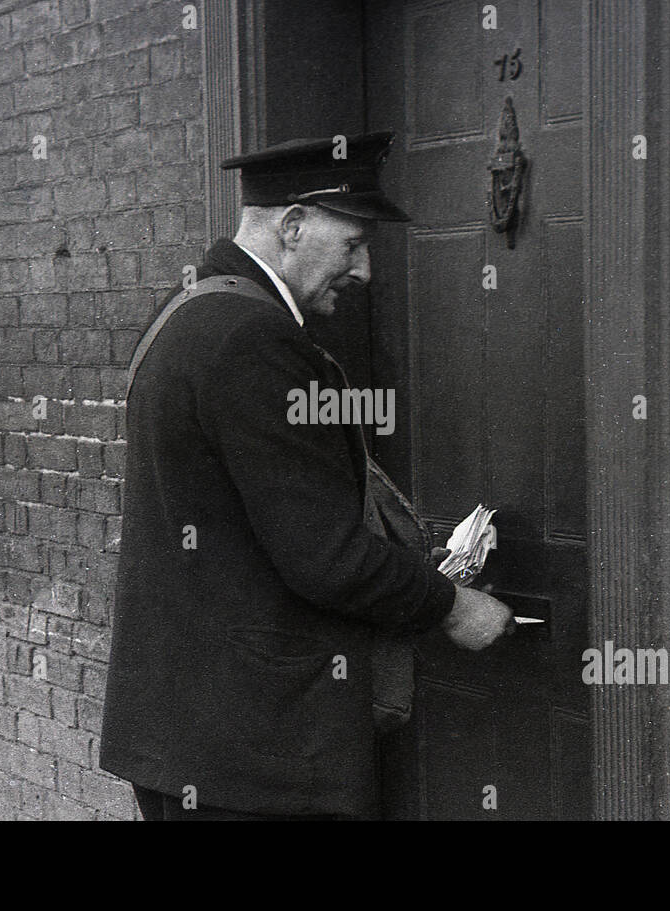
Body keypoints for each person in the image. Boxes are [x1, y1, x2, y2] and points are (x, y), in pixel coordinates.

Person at [99, 131, 513, 820]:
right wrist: (451, 604)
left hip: (190, 738)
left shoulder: (189, 311)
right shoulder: (256, 341)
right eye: (353, 245)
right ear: (292, 227)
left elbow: (259, 521)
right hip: (256, 755)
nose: (365, 270)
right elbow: (326, 557)